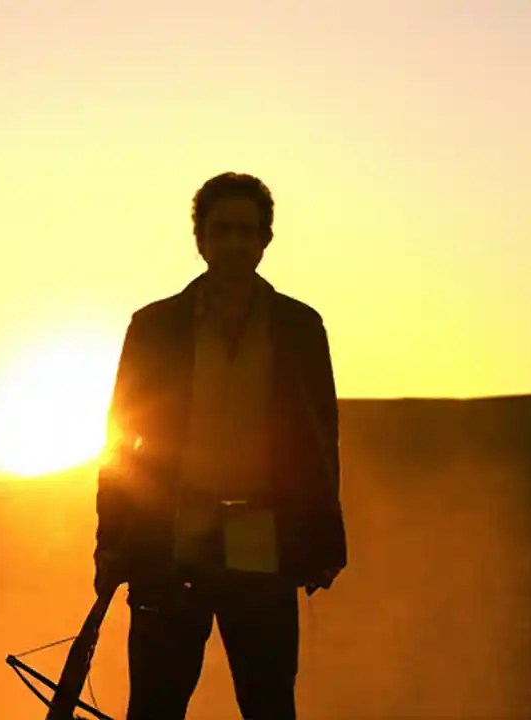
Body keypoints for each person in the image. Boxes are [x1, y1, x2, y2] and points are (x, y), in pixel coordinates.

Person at [94, 172, 347, 719]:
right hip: (172, 535)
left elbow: (321, 436)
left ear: (265, 240)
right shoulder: (155, 326)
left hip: (262, 536)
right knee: (157, 704)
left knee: (269, 701)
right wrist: (111, 540)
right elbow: (120, 437)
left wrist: (325, 541)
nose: (234, 243)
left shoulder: (300, 327)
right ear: (201, 239)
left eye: (246, 231)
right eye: (222, 230)